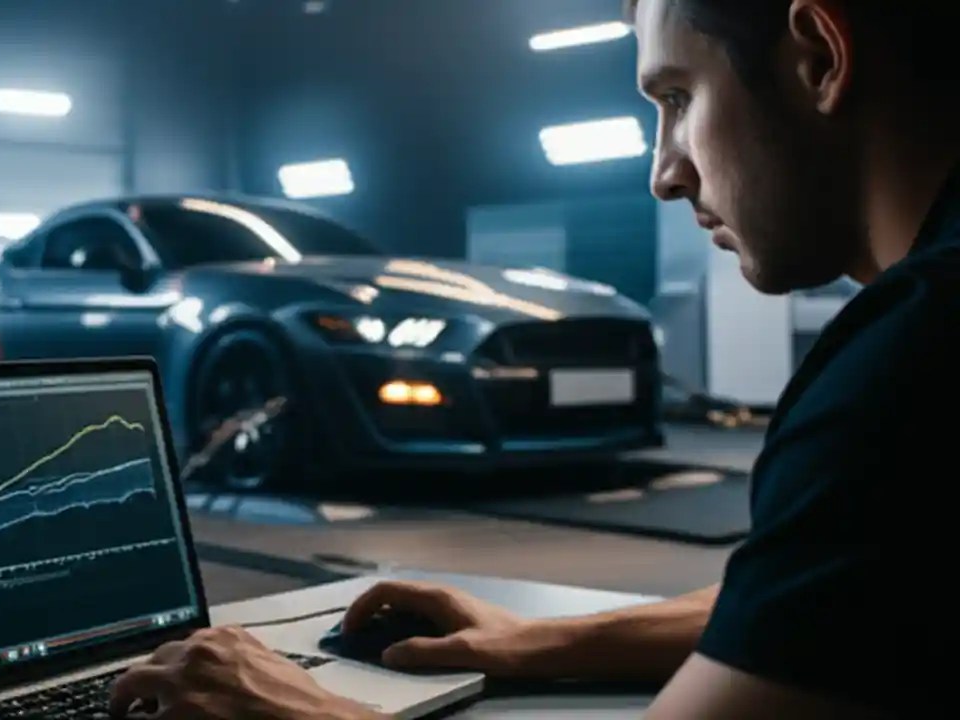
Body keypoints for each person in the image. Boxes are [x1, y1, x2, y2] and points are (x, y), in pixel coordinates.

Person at [110, 0, 958, 716]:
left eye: (676, 95)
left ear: (818, 58)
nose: (663, 172)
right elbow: (817, 601)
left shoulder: (905, 369)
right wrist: (534, 639)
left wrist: (304, 709)